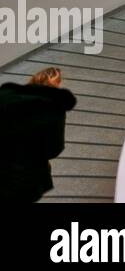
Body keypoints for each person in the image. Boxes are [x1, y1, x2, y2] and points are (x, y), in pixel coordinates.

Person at [0, 67, 77, 202]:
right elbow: (53, 149)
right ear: (57, 84)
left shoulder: (6, 97)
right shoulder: (54, 107)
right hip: (25, 177)